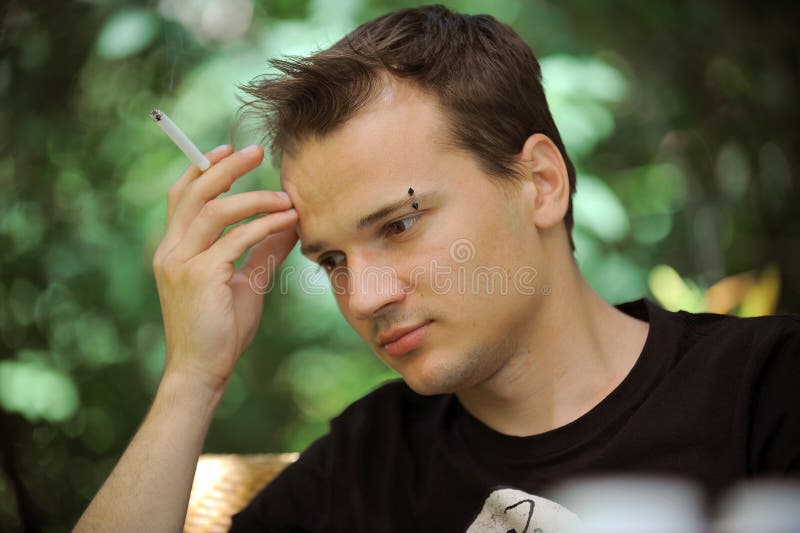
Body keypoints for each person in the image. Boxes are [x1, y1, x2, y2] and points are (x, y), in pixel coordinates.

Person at [75, 5, 799, 532]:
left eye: (399, 224)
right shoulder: (362, 470)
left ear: (541, 184)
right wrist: (190, 380)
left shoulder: (768, 394)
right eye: (330, 259)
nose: (364, 295)